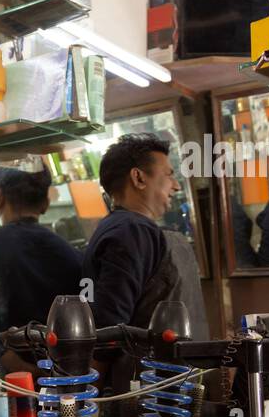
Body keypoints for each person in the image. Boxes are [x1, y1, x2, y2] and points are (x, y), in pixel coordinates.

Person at [82, 133, 209, 340]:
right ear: (138, 178)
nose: (176, 186)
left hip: (176, 369)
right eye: (168, 175)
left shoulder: (120, 227)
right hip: (150, 370)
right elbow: (109, 329)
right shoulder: (132, 231)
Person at [0, 168, 82, 371]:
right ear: (46, 204)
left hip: (6, 374)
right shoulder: (70, 252)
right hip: (61, 370)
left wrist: (9, 360)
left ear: (0, 198)